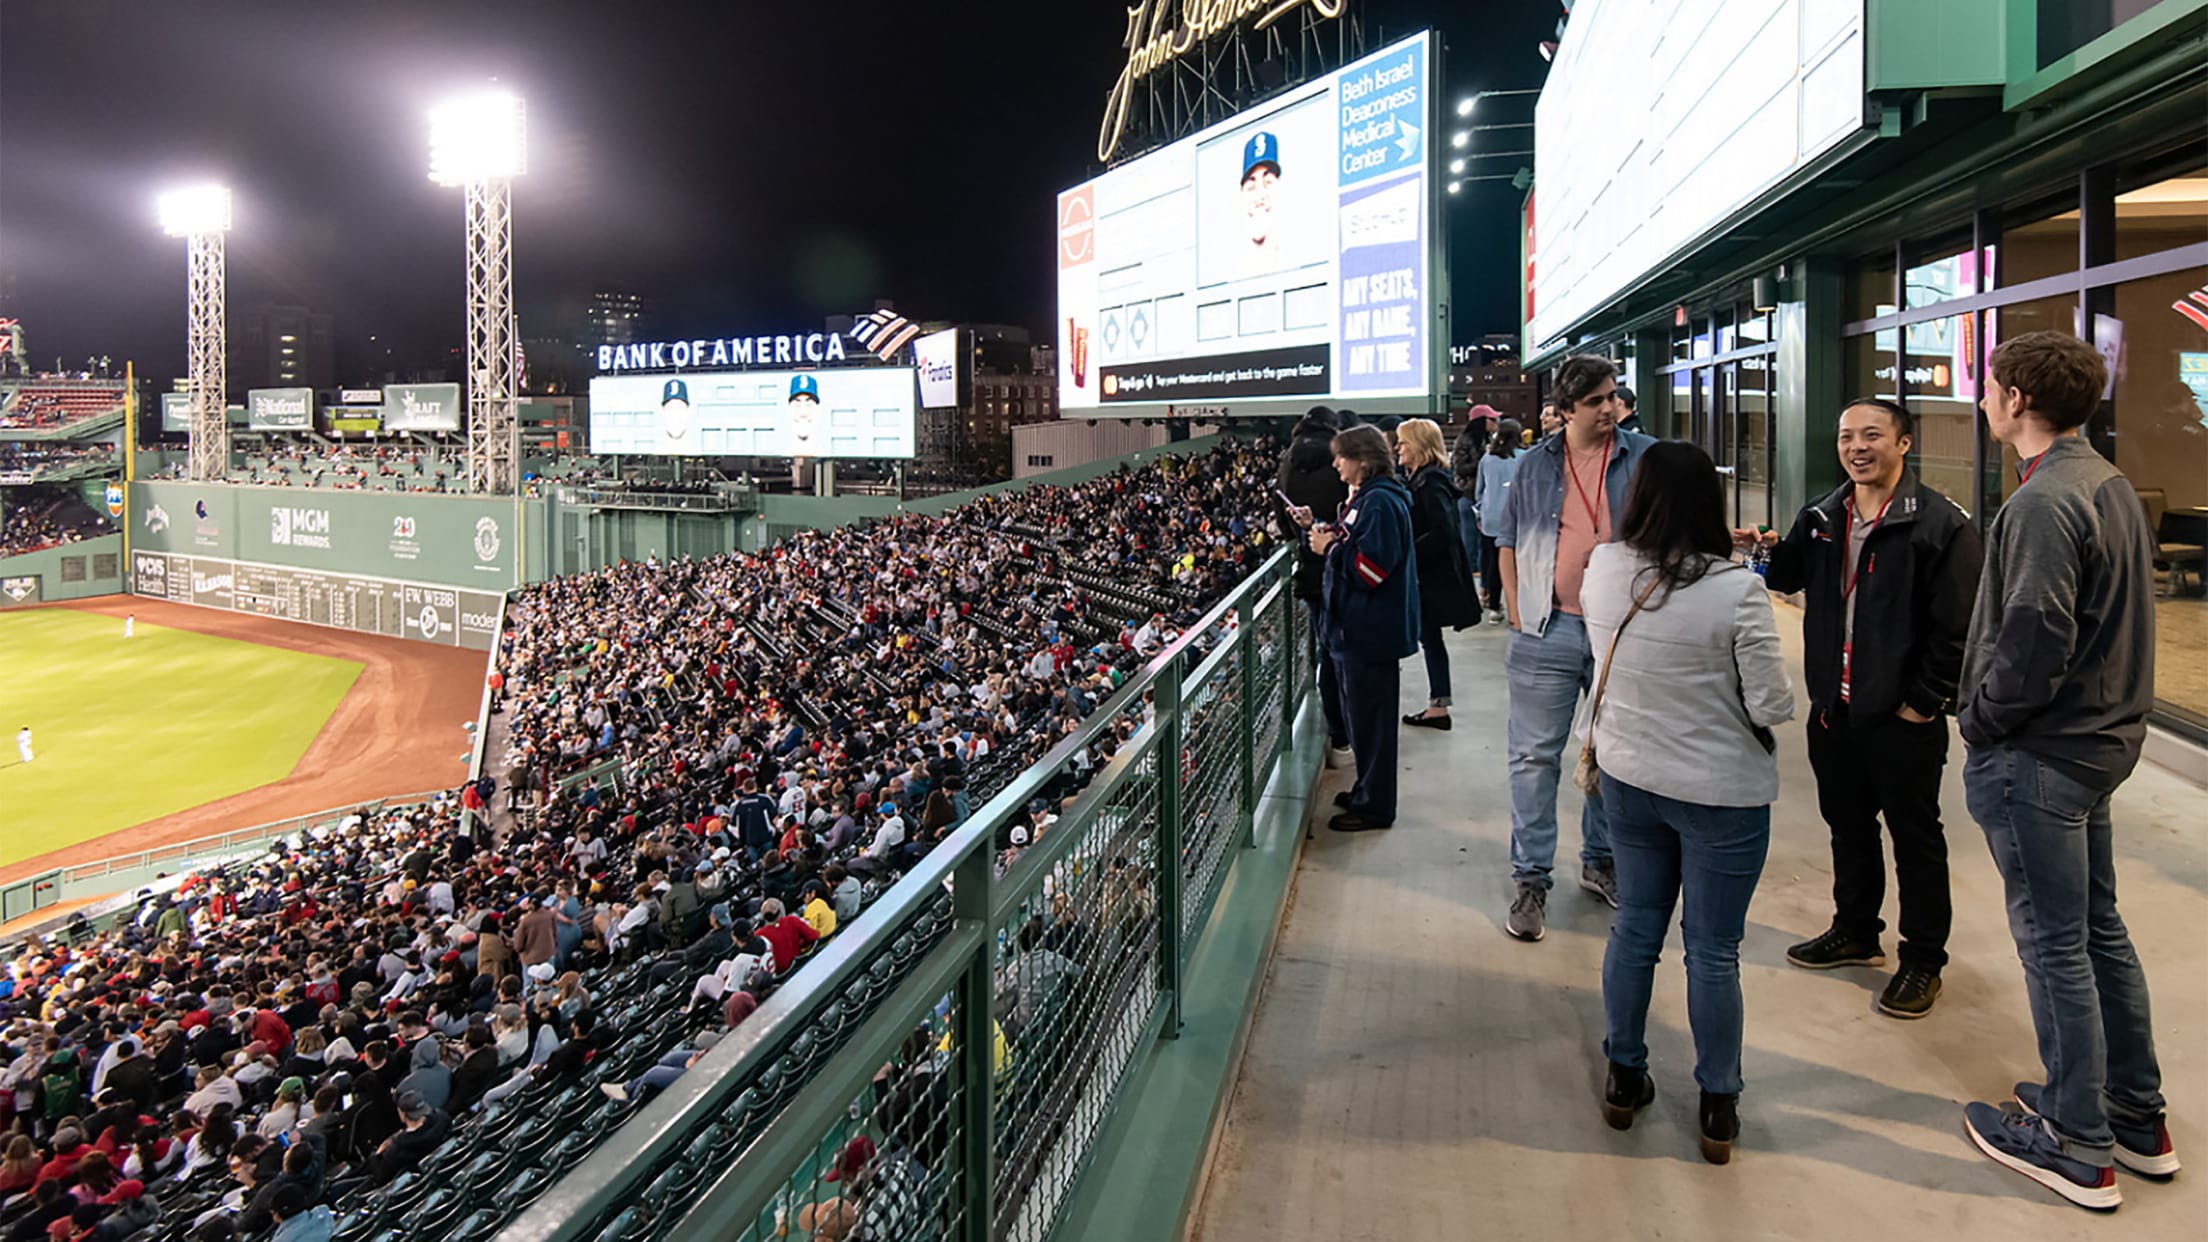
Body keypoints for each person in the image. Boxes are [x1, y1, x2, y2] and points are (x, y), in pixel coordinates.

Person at [1956, 331, 2174, 1210]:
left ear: (2013, 398)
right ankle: (2134, 1113)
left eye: (1989, 386)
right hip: (2097, 748)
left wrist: (1980, 719)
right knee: (2095, 928)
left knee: (2058, 947)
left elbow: (2035, 636)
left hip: (2043, 755)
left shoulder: (2046, 502)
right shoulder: (2109, 484)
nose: (1983, 400)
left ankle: (2077, 1141)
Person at [1580, 441, 1794, 1166]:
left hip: (1629, 779)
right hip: (1720, 795)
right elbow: (1771, 702)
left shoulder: (1603, 570)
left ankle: (1624, 1075)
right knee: (1712, 950)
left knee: (1636, 927)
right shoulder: (1737, 591)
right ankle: (1717, 1106)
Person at [1749, 397, 1982, 1019]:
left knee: (1916, 840)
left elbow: (1958, 628)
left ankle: (1923, 960)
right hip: (1834, 709)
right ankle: (1855, 930)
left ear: (1903, 443)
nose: (1857, 446)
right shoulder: (1825, 515)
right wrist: (1764, 549)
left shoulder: (1939, 525)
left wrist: (1923, 704)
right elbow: (1787, 576)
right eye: (1847, 435)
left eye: (1872, 435)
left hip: (1901, 718)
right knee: (1848, 827)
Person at [1492, 355, 1654, 939]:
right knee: (1534, 758)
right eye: (1597, 402)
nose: (1611, 409)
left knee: (1612, 753)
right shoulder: (1534, 466)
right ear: (1565, 411)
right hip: (1547, 628)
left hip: (1622, 633)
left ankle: (1601, 860)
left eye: (1613, 397)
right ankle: (1531, 878)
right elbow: (1507, 539)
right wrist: (1516, 607)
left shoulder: (1645, 458)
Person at [1305, 424, 1418, 832]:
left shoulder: (1382, 503)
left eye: (1342, 456)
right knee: (1362, 722)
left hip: (1368, 633)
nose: (1335, 464)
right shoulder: (1367, 499)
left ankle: (1376, 807)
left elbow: (1370, 570)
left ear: (1364, 459)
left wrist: (1330, 548)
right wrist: (1325, 533)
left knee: (1373, 725)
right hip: (1354, 630)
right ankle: (1367, 791)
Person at [1277, 408, 1353, 767]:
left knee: (1326, 652)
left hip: (1309, 567)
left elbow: (1282, 517)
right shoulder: (1341, 456)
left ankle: (1338, 736)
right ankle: (1352, 734)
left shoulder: (1287, 460)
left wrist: (1305, 537)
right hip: (1343, 563)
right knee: (1347, 653)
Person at [1393, 418, 1480, 729]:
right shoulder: (1426, 479)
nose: (1397, 448)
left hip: (1429, 577)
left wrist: (1407, 555)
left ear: (1418, 445)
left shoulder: (1430, 483)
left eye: (1403, 442)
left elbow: (1442, 532)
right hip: (1429, 575)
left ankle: (1439, 706)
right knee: (1429, 639)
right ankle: (1438, 704)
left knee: (1429, 638)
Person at [1474, 419, 1524, 623]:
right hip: (1517, 519)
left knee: (1493, 564)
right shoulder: (1525, 458)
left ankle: (1494, 607)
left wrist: (1480, 512)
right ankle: (1518, 608)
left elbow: (1480, 489)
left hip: (1490, 519)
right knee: (1518, 565)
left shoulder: (1486, 459)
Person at [1239, 130, 1283, 271]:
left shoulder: (1299, 276)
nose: (1260, 195)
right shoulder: (1233, 284)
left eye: (1268, 182)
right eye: (1251, 187)